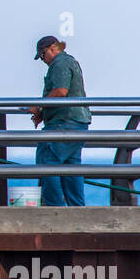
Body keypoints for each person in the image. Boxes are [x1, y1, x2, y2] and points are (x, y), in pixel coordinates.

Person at [29, 36, 91, 206]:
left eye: (42, 56)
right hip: (78, 122)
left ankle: (54, 210)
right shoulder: (70, 61)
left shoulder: (59, 63)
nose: (43, 61)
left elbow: (61, 91)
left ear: (52, 49)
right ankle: (77, 211)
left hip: (64, 122)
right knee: (71, 169)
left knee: (47, 162)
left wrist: (39, 107)